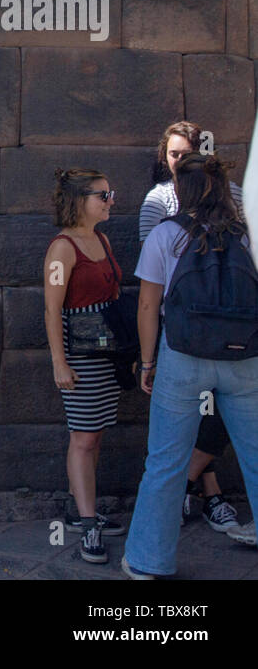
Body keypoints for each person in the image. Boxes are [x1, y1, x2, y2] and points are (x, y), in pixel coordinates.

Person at [123, 154, 258, 578]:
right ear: (223, 189)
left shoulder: (167, 234)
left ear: (181, 191)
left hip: (181, 355)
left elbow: (148, 304)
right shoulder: (249, 234)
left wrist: (148, 361)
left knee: (165, 461)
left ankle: (148, 560)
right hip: (243, 357)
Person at [139, 121, 245, 533]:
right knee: (191, 424)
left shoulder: (232, 196)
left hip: (231, 329)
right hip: (180, 328)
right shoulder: (159, 201)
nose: (181, 162)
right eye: (174, 155)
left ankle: (181, 497)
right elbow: (154, 279)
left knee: (212, 420)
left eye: (188, 154)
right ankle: (211, 493)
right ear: (164, 159)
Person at [43, 168, 128, 565]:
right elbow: (52, 308)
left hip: (108, 353)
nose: (110, 200)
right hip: (80, 356)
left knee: (94, 435)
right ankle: (88, 521)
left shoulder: (103, 239)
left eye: (110, 194)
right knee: (83, 437)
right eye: (103, 195)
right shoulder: (62, 248)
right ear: (80, 200)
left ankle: (84, 509)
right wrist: (59, 362)